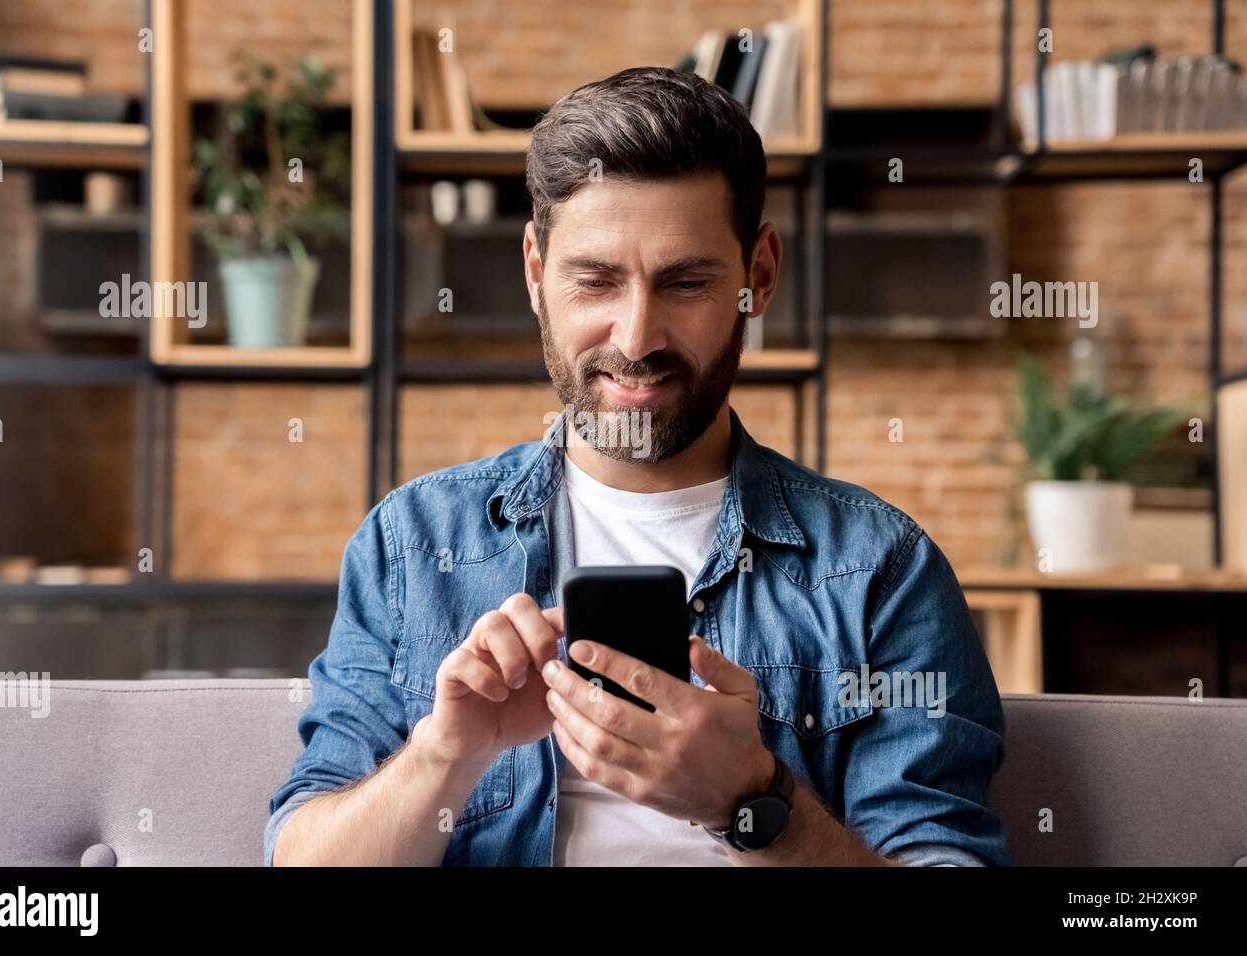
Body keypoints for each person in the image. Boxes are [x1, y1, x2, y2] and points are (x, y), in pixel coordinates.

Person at [266, 66, 1009, 867]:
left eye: (686, 282)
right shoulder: (411, 544)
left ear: (759, 275)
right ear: (534, 272)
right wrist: (445, 755)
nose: (637, 336)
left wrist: (753, 802)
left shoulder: (879, 571)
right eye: (595, 280)